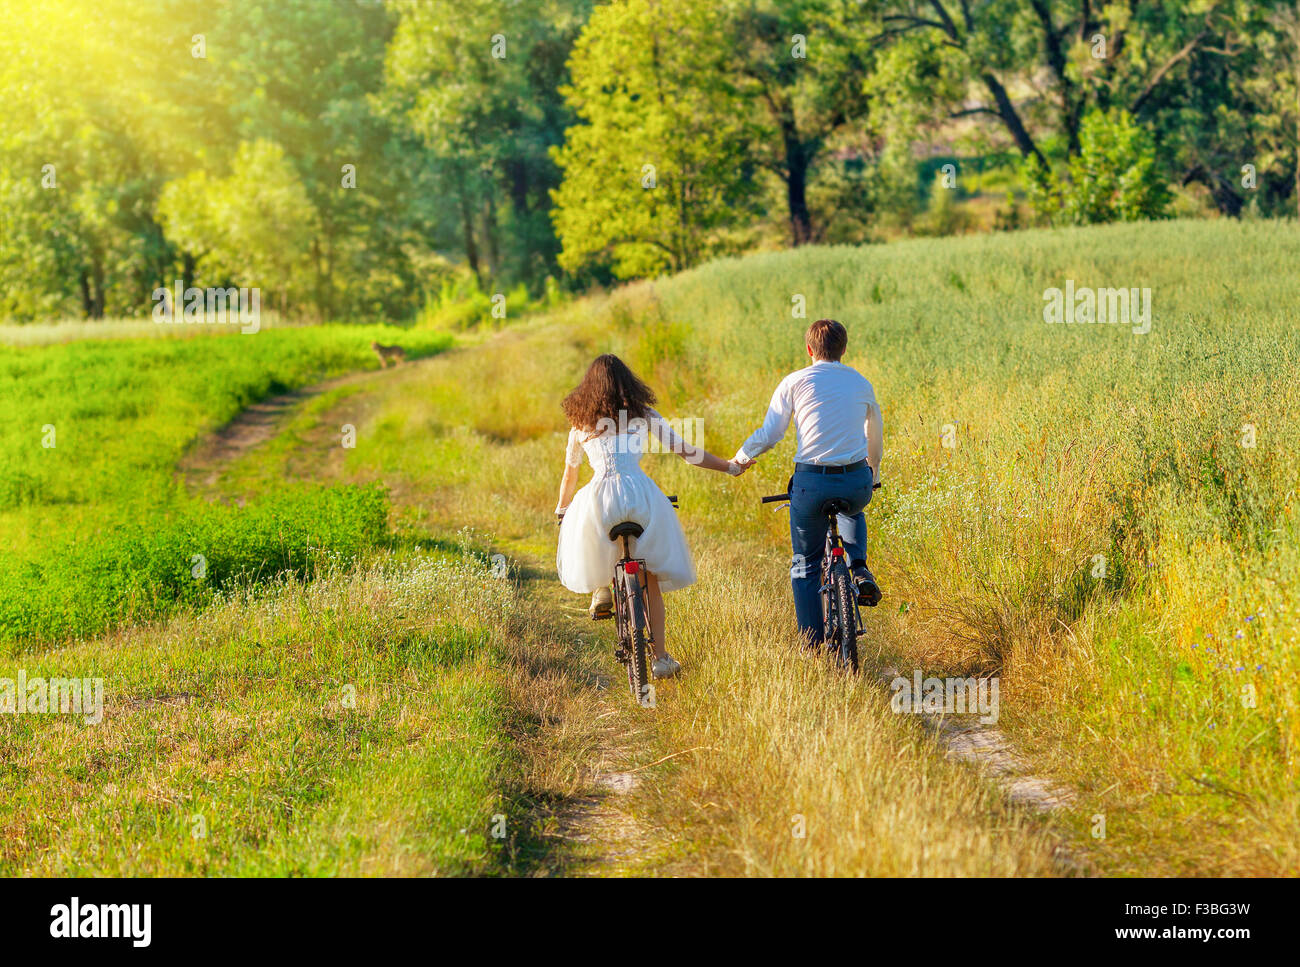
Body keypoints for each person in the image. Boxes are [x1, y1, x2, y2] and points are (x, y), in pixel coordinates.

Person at [555, 354, 743, 678]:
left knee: (591, 532)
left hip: (600, 498)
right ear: (629, 384)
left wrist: (561, 509)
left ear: (588, 389)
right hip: (640, 497)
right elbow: (687, 452)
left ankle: (602, 589)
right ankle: (661, 657)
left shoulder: (580, 426)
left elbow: (570, 476)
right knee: (650, 575)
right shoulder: (643, 415)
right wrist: (729, 466)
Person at [732, 319, 884, 648]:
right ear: (844, 349)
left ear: (809, 350)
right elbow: (875, 434)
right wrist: (873, 472)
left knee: (805, 563)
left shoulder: (794, 382)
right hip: (856, 479)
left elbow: (771, 435)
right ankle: (858, 567)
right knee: (852, 509)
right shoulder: (860, 382)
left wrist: (742, 458)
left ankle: (812, 644)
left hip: (811, 484)